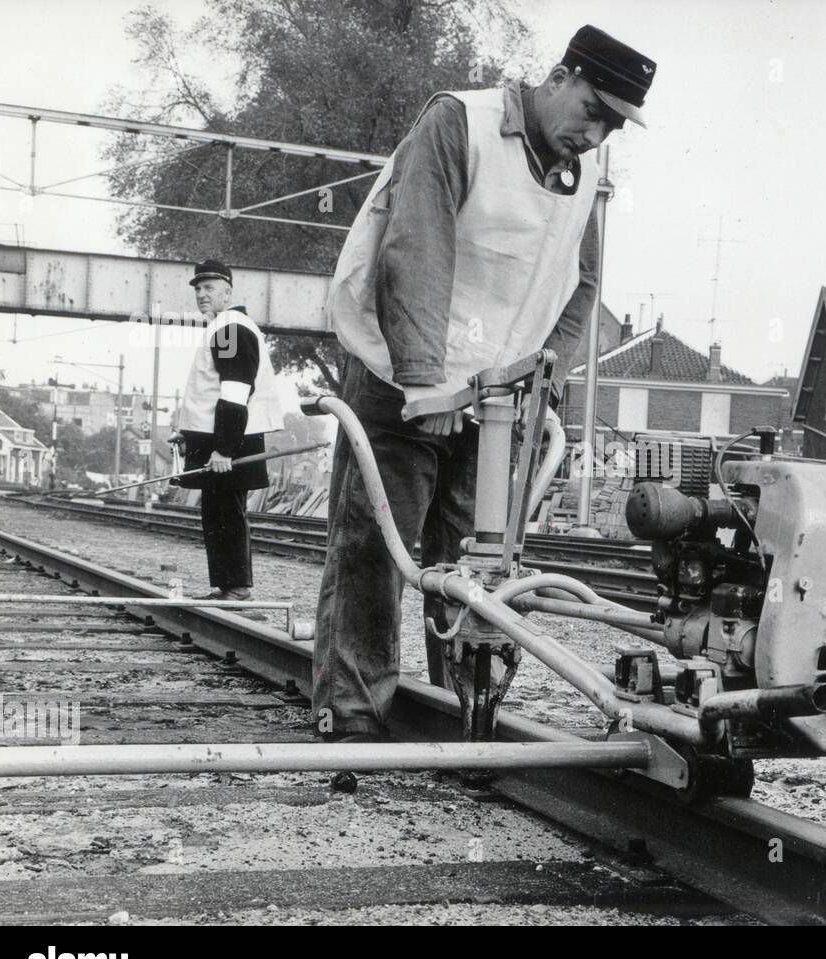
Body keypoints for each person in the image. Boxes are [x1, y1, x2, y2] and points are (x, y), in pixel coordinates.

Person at [313, 25, 657, 746]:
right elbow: (417, 248)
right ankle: (349, 716)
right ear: (558, 77)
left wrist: (552, 366)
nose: (595, 135)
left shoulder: (586, 174)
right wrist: (423, 380)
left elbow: (583, 284)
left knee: (477, 564)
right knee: (378, 552)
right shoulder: (457, 122)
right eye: (593, 110)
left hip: (501, 401)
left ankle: (459, 711)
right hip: (401, 380)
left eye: (613, 126)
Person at [170, 259, 284, 599]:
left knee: (226, 514)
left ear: (227, 292)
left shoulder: (231, 328)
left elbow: (236, 390)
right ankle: (227, 586)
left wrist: (225, 448)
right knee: (217, 513)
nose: (202, 295)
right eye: (198, 289)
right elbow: (212, 393)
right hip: (220, 437)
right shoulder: (224, 326)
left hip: (231, 441)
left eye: (209, 288)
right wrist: (189, 430)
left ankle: (235, 589)